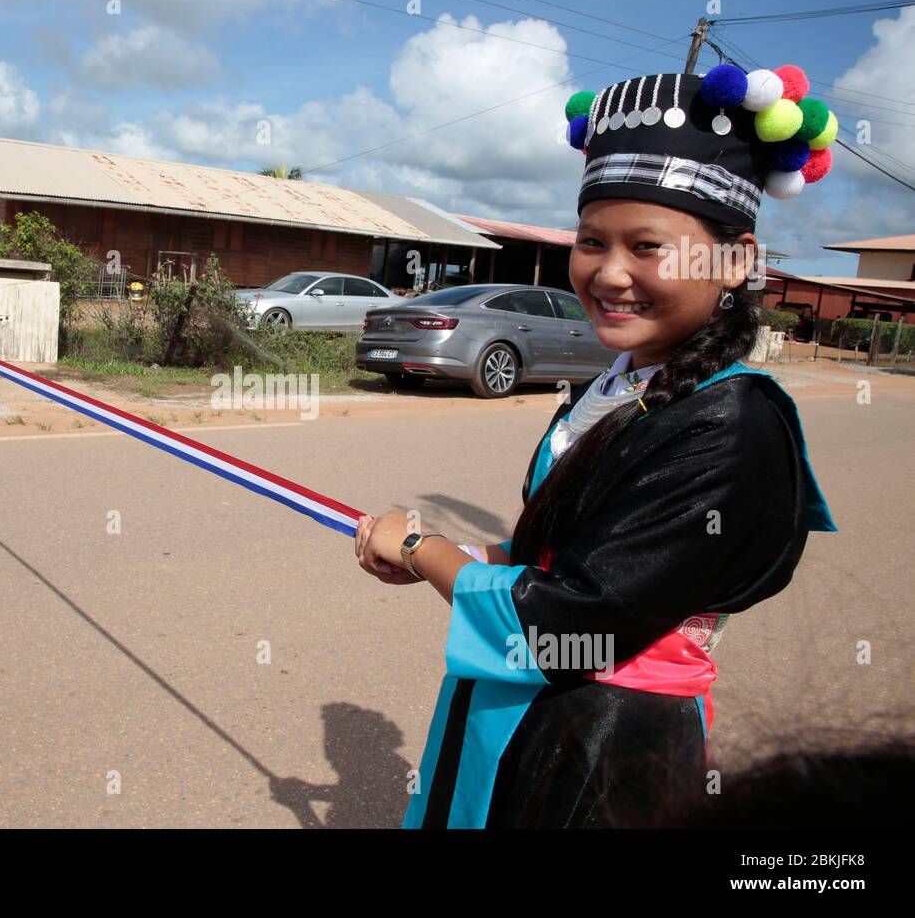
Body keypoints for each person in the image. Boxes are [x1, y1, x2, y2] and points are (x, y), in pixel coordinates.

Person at [354, 66, 840, 827]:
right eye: (590, 242)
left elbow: (577, 625)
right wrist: (464, 558)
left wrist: (424, 549)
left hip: (603, 738)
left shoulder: (733, 422)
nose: (610, 274)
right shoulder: (611, 387)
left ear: (736, 261)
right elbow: (567, 549)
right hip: (523, 706)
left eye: (648, 247)